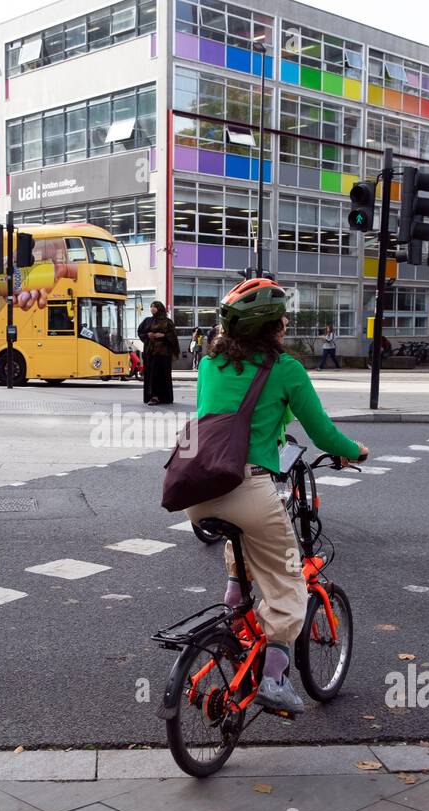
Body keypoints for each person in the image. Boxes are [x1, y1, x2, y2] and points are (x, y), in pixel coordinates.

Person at [184, 278, 367, 715]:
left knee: (242, 550)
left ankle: (234, 620)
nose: (286, 322)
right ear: (269, 326)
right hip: (246, 487)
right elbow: (322, 432)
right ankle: (273, 680)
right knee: (289, 590)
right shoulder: (286, 369)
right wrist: (355, 450)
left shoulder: (209, 364)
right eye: (282, 317)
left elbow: (216, 420)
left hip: (197, 489)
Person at [137, 301, 179, 405]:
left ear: (160, 308)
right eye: (151, 307)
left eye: (155, 307)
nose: (152, 309)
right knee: (151, 375)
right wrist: (148, 335)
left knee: (162, 374)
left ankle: (164, 397)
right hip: (150, 353)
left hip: (163, 354)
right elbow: (140, 332)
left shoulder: (167, 322)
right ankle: (153, 396)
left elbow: (173, 336)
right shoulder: (147, 321)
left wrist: (163, 336)